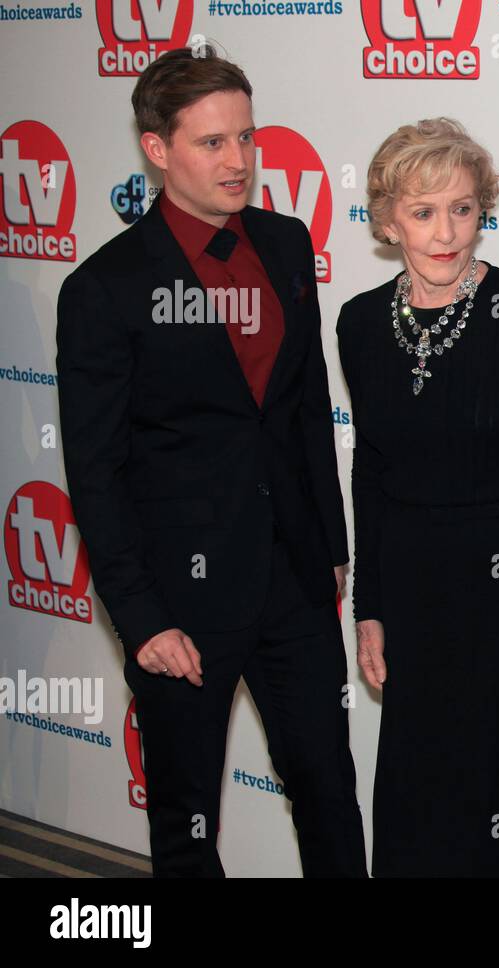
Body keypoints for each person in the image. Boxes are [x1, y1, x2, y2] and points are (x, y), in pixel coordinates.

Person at [55, 46, 366, 877]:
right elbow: (95, 468)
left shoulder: (287, 243)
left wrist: (331, 549)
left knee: (329, 790)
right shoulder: (105, 289)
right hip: (179, 602)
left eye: (247, 138)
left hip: (295, 580)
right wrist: (141, 618)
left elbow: (303, 411)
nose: (239, 162)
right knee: (188, 821)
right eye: (213, 144)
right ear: (157, 149)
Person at [337, 119, 499, 877]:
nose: (446, 232)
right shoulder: (357, 323)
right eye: (423, 213)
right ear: (388, 222)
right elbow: (373, 473)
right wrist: (370, 608)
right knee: (426, 781)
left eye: (461, 208)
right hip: (419, 589)